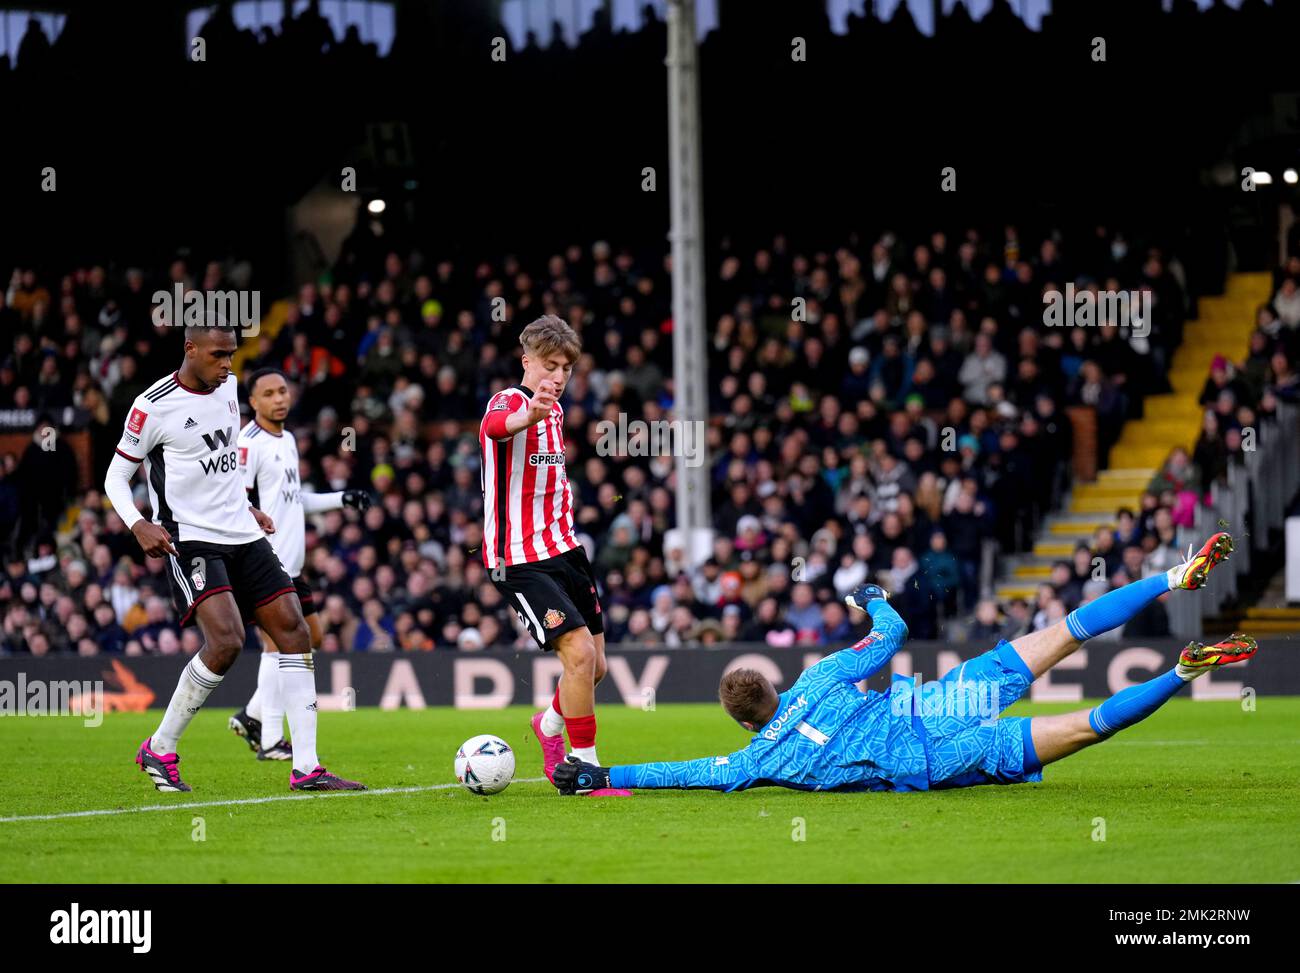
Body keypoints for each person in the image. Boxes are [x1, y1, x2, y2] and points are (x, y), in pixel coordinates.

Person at [554, 533, 1248, 796]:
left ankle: (1180, 673)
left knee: (1088, 724)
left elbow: (687, 773)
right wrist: (874, 597)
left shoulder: (756, 757)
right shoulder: (824, 672)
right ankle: (1172, 574)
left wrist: (602, 773)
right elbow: (892, 631)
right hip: (936, 702)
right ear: (773, 681)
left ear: (743, 720)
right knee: (1060, 630)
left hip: (934, 757)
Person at [103, 323, 363, 792]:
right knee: (226, 642)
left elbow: (222, 464)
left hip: (243, 532)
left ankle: (307, 767)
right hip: (190, 538)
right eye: (219, 355)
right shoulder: (152, 406)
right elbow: (116, 477)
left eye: (232, 356)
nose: (228, 366)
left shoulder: (229, 387)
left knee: (294, 630)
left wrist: (248, 508)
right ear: (191, 349)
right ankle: (160, 748)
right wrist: (139, 523)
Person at [479, 315, 627, 796]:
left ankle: (548, 725)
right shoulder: (511, 402)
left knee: (596, 667)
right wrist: (530, 416)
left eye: (566, 367)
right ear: (526, 361)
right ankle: (584, 770)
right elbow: (497, 426)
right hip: (518, 559)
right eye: (549, 365)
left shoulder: (557, 413)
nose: (558, 376)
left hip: (565, 551)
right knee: (580, 655)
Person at [228, 367, 372, 760]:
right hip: (265, 562)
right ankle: (272, 738)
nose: (279, 399)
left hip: (292, 564)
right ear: (253, 402)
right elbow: (236, 501)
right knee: (279, 646)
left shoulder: (288, 440)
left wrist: (341, 499)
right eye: (269, 393)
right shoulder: (248, 443)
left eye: (283, 391)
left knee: (311, 640)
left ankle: (253, 714)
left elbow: (295, 500)